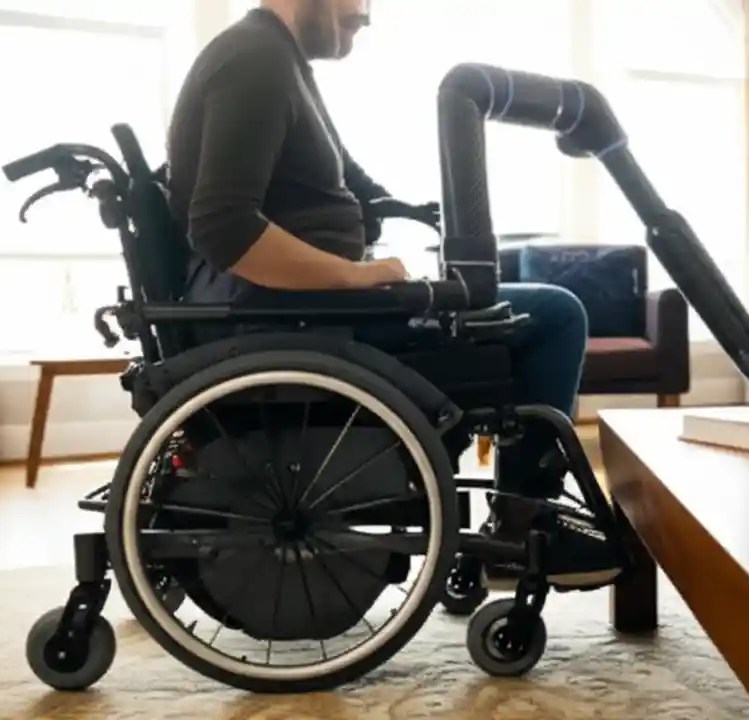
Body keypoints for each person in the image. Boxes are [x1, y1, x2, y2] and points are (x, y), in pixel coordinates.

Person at [165, 0, 619, 588]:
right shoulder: (254, 61)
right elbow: (223, 226)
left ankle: (491, 506)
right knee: (555, 312)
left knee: (499, 302)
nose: (367, 14)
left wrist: (425, 216)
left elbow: (353, 187)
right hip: (289, 321)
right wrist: (353, 276)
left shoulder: (280, 61)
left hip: (303, 311)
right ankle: (523, 523)